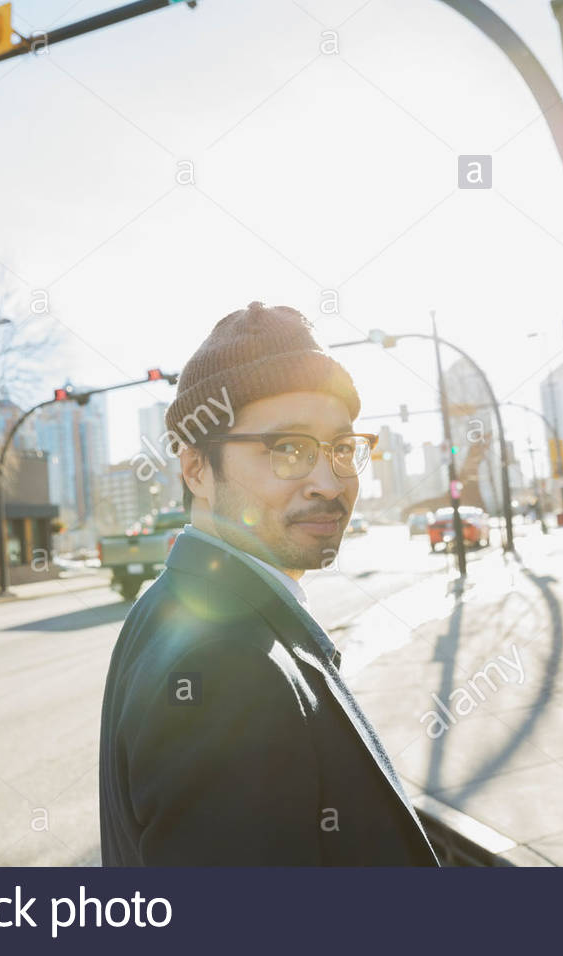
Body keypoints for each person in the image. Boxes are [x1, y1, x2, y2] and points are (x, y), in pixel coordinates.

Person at [98, 302, 440, 866]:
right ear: (197, 469)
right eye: (288, 449)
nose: (329, 482)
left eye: (340, 448)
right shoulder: (229, 668)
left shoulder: (166, 608)